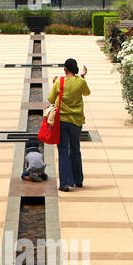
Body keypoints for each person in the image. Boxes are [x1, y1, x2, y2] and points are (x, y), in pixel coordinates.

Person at [48, 57, 90, 192]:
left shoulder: (59, 81)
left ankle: (65, 183)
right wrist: (82, 77)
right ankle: (78, 180)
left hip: (62, 121)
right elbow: (86, 92)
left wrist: (54, 83)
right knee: (75, 149)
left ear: (65, 69)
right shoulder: (80, 82)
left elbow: (50, 99)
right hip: (77, 121)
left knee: (63, 150)